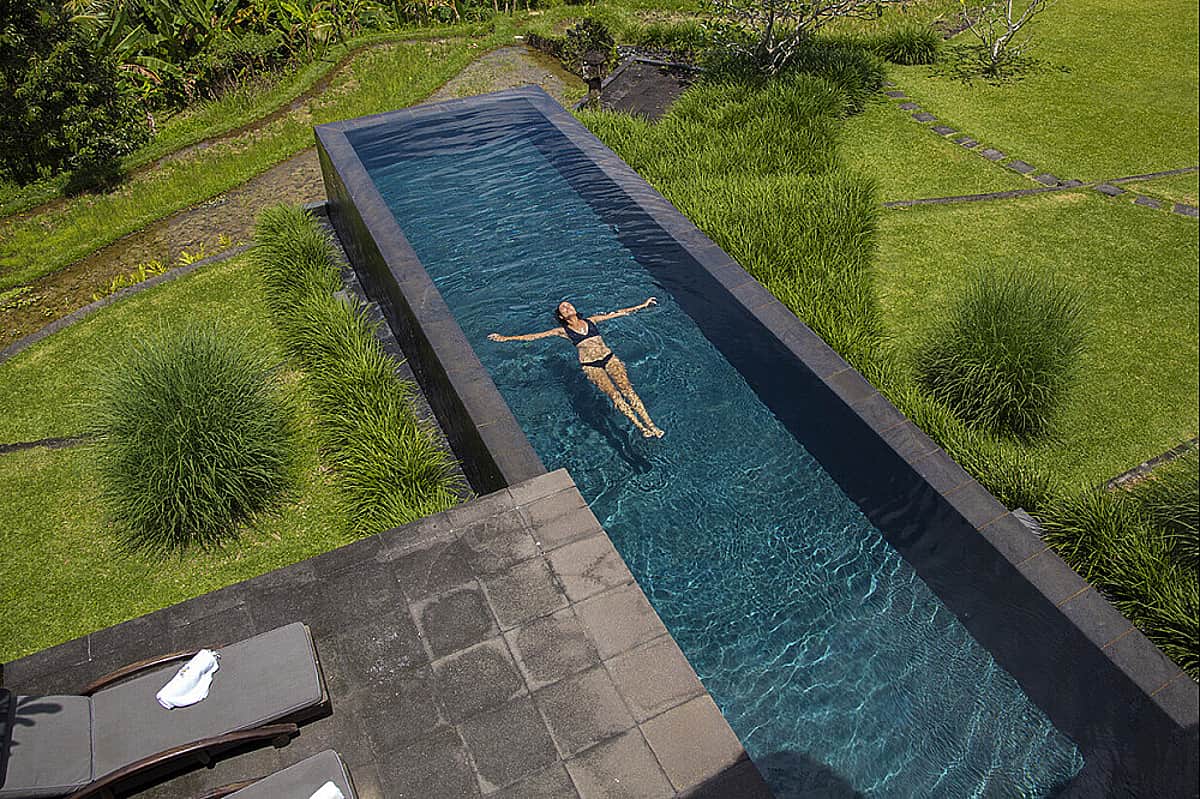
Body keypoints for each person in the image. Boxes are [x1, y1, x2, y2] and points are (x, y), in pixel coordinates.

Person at [488, 298, 665, 438]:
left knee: (629, 391)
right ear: (562, 317)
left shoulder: (592, 320)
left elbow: (617, 313)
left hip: (610, 360)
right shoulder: (562, 331)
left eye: (568, 305)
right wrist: (505, 338)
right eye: (563, 308)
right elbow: (534, 336)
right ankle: (640, 427)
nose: (567, 307)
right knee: (615, 395)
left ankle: (652, 425)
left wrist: (643, 305)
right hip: (591, 366)